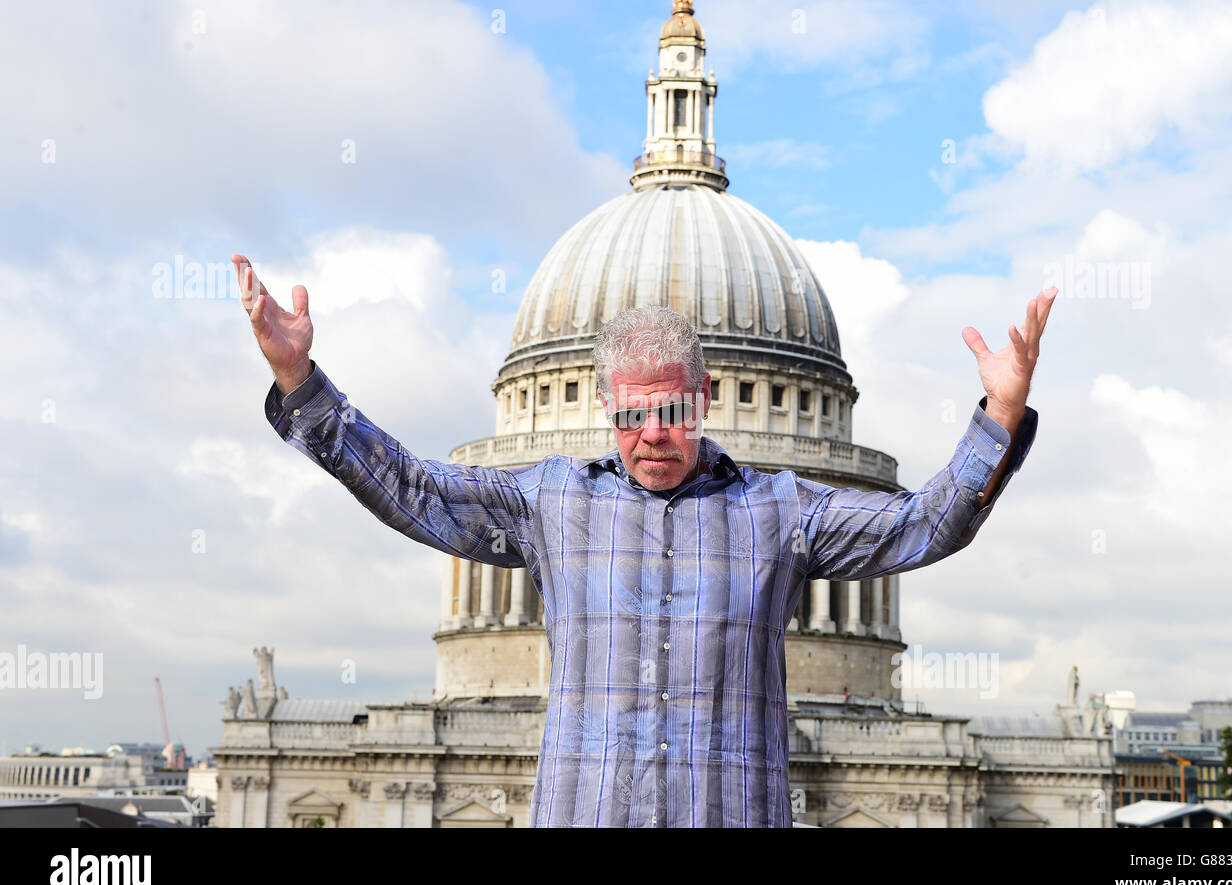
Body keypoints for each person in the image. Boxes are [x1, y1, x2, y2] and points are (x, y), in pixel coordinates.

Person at [232, 252, 1054, 827]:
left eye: (671, 413)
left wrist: (1001, 417)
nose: (651, 436)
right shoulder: (553, 502)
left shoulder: (781, 510)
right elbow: (412, 489)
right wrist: (300, 382)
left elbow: (925, 524)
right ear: (603, 407)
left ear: (705, 397)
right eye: (631, 416)